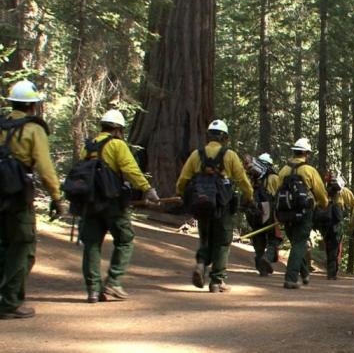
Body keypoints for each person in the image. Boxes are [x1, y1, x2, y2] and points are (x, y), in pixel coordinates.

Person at [78, 109, 160, 303]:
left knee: (92, 244)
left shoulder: (88, 147)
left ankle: (92, 289)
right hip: (112, 203)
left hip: (89, 202)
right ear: (119, 129)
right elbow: (130, 169)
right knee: (124, 239)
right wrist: (147, 189)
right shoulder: (117, 145)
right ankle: (113, 282)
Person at [0, 80, 65, 319]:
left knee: (3, 245)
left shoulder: (2, 125)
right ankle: (10, 303)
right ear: (32, 105)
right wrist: (56, 197)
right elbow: (45, 167)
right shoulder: (33, 129)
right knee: (23, 247)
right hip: (18, 196)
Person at [176, 120, 254, 293]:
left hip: (202, 204)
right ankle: (217, 281)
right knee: (222, 242)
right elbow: (242, 179)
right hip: (222, 205)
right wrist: (249, 196)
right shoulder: (230, 155)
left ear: (209, 135)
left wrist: (181, 193)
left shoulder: (197, 155)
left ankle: (201, 263)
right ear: (224, 137)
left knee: (205, 238)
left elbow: (183, 179)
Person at [274, 138, 328, 289]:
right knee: (299, 244)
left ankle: (304, 273)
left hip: (286, 213)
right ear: (306, 153)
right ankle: (291, 278)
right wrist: (324, 205)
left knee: (296, 243)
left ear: (294, 151)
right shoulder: (309, 171)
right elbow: (320, 192)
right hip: (304, 212)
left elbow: (278, 191)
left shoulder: (283, 170)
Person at [314, 171, 354, 280]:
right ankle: (332, 273)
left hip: (324, 222)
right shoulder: (343, 191)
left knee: (328, 245)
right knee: (335, 247)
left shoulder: (323, 190)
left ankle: (330, 269)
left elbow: (316, 203)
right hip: (336, 223)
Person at [243, 153, 282, 276]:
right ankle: (267, 258)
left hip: (254, 212)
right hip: (269, 211)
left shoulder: (251, 179)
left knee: (258, 238)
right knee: (274, 239)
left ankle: (262, 268)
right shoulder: (274, 178)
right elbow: (279, 195)